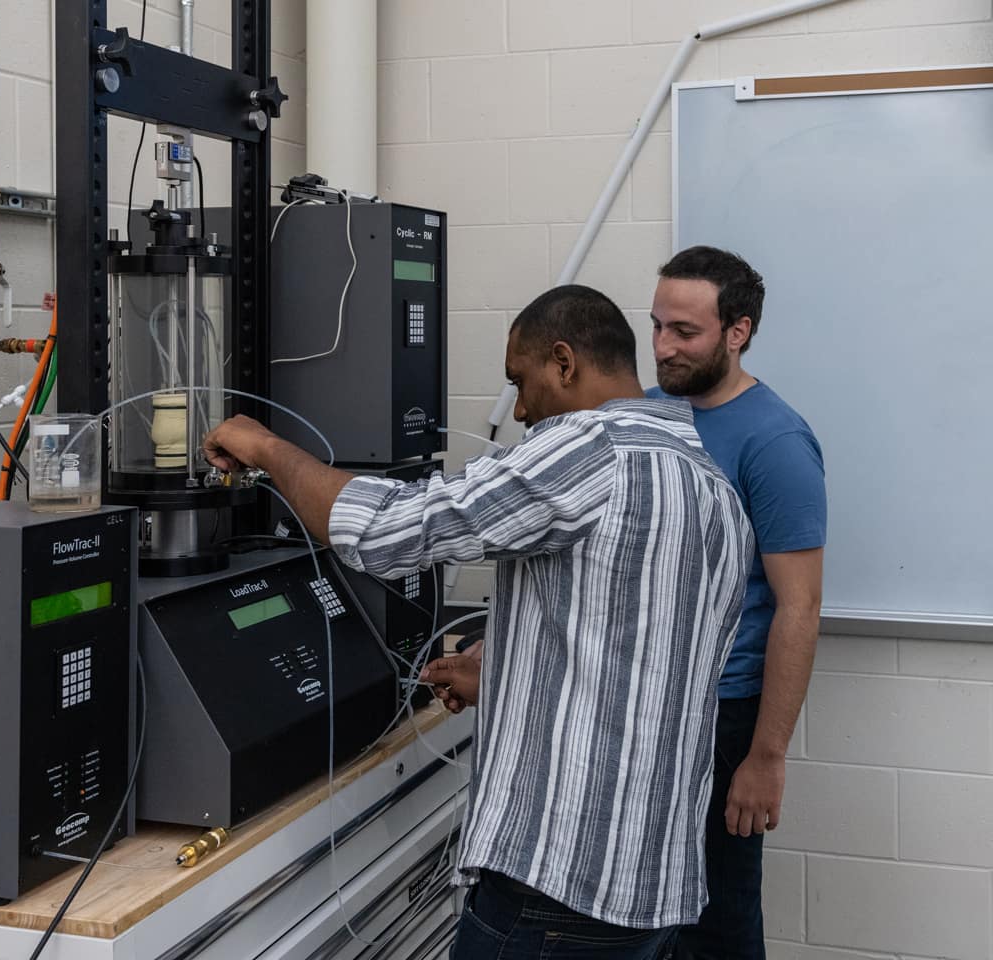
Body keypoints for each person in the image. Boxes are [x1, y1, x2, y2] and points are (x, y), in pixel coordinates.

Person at [203, 285, 753, 959]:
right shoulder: (708, 481)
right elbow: (633, 651)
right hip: (650, 883)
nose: (520, 409)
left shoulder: (588, 452)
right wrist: (502, 669)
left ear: (564, 362)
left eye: (521, 382)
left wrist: (264, 446)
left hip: (556, 888)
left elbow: (386, 527)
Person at [648, 246, 826, 959]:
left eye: (683, 332)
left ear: (737, 331)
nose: (663, 346)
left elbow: (800, 608)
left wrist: (766, 757)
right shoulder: (650, 417)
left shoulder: (775, 440)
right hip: (652, 706)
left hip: (725, 718)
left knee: (717, 924)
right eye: (657, 325)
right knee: (645, 916)